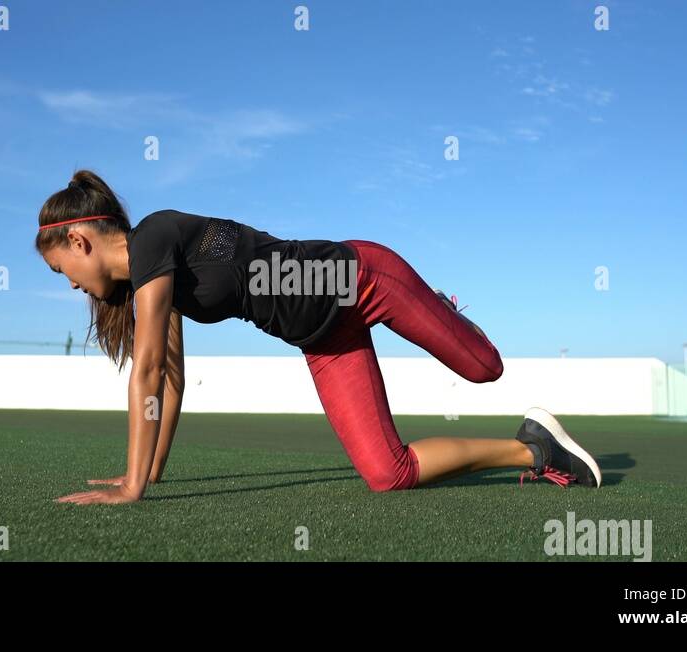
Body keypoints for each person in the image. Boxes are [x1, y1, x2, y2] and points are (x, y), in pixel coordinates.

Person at [37, 170, 602, 505]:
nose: (71, 285)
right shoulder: (155, 283)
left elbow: (149, 369)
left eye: (62, 271)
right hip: (325, 340)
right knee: (388, 475)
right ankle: (534, 447)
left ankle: (442, 307)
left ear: (81, 242)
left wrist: (132, 486)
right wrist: (151, 472)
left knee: (485, 367)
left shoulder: (155, 234)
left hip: (360, 279)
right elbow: (172, 378)